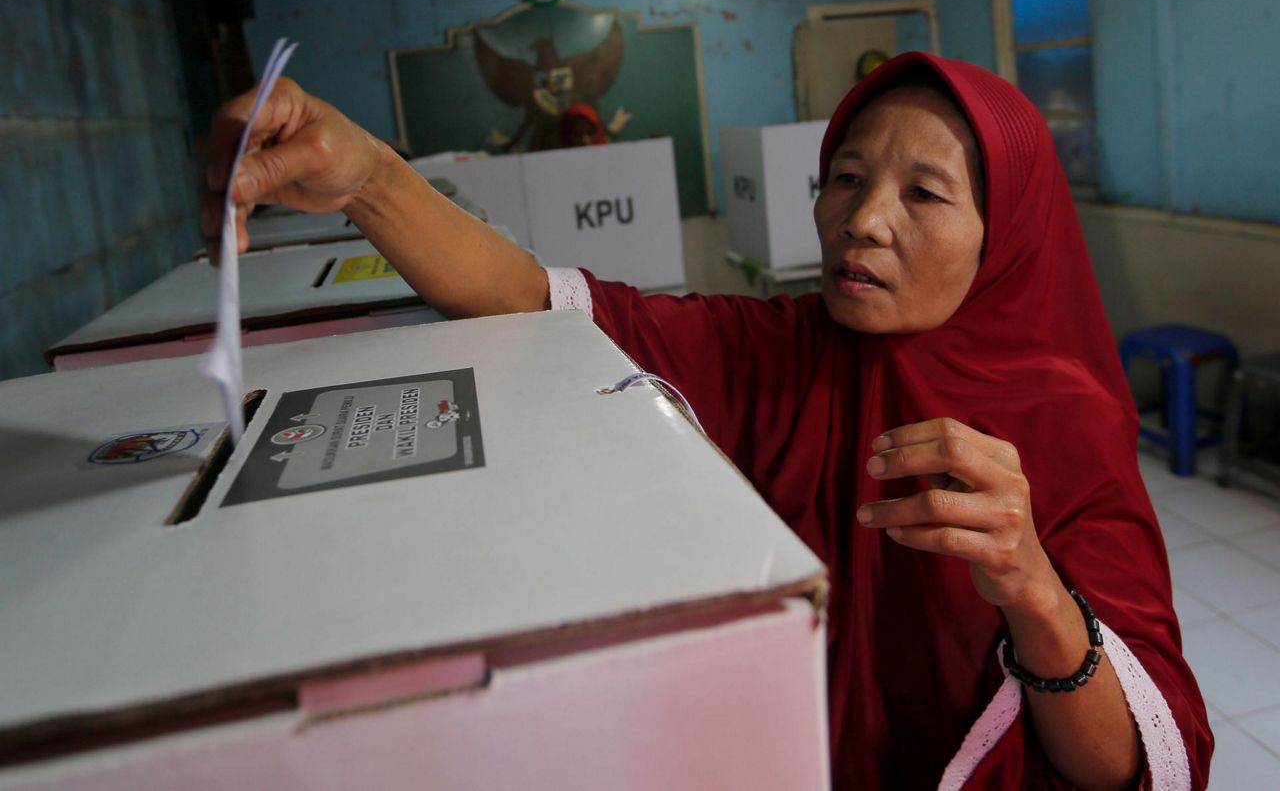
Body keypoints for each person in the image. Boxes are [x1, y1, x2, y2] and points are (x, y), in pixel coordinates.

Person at [202, 51, 1212, 788]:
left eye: (924, 193)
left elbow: (1138, 764)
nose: (862, 219)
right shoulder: (780, 350)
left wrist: (1032, 588)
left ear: (1007, 235)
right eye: (847, 177)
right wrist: (372, 177)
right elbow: (535, 301)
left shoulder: (1063, 424)